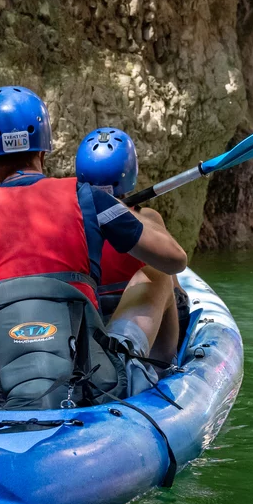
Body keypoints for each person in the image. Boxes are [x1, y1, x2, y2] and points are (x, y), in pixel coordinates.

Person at [0, 87, 188, 406]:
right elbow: (174, 261)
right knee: (155, 272)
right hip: (86, 376)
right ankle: (157, 373)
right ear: (44, 148)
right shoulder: (86, 197)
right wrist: (141, 217)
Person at [76, 127, 188, 364]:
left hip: (89, 322)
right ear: (131, 174)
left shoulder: (72, 223)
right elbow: (176, 282)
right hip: (141, 330)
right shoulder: (148, 219)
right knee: (166, 282)